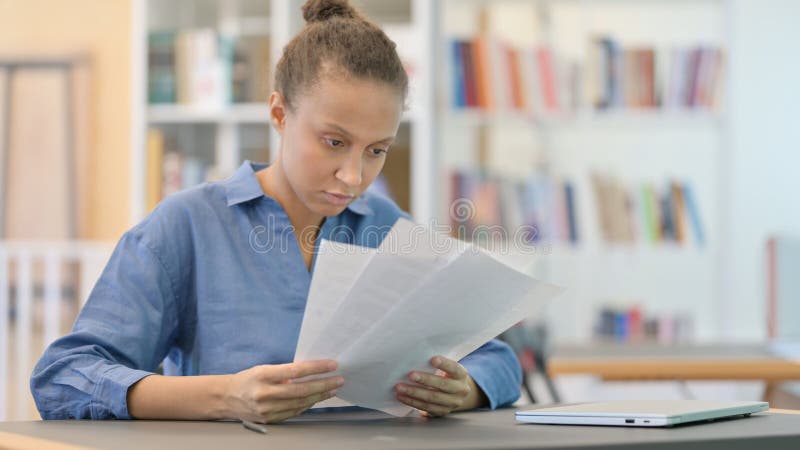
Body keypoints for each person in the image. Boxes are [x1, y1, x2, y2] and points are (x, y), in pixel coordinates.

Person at [30, 0, 522, 423]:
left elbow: (497, 357)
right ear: (280, 114)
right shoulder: (186, 227)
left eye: (377, 150)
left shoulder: (388, 229)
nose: (353, 175)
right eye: (334, 142)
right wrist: (225, 396)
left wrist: (467, 389)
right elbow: (64, 378)